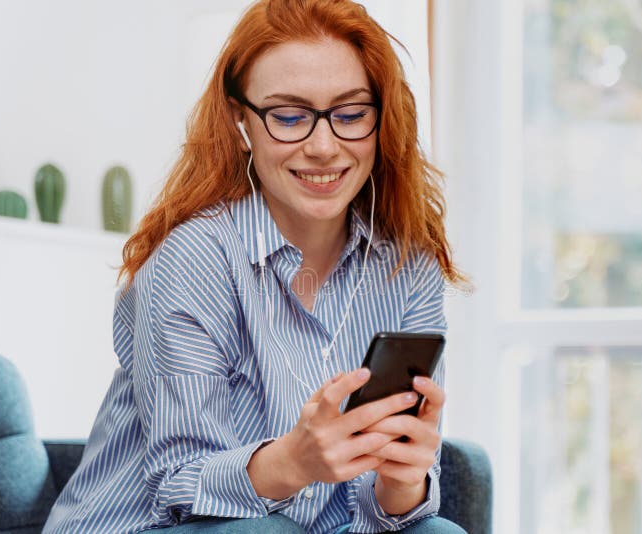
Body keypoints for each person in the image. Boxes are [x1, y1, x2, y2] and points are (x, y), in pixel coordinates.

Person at [43, 0, 469, 532]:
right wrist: (294, 461)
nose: (322, 146)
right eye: (288, 116)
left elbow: (378, 506)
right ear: (241, 119)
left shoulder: (408, 266)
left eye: (351, 113)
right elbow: (179, 483)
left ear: (384, 120)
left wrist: (403, 484)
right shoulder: (194, 259)